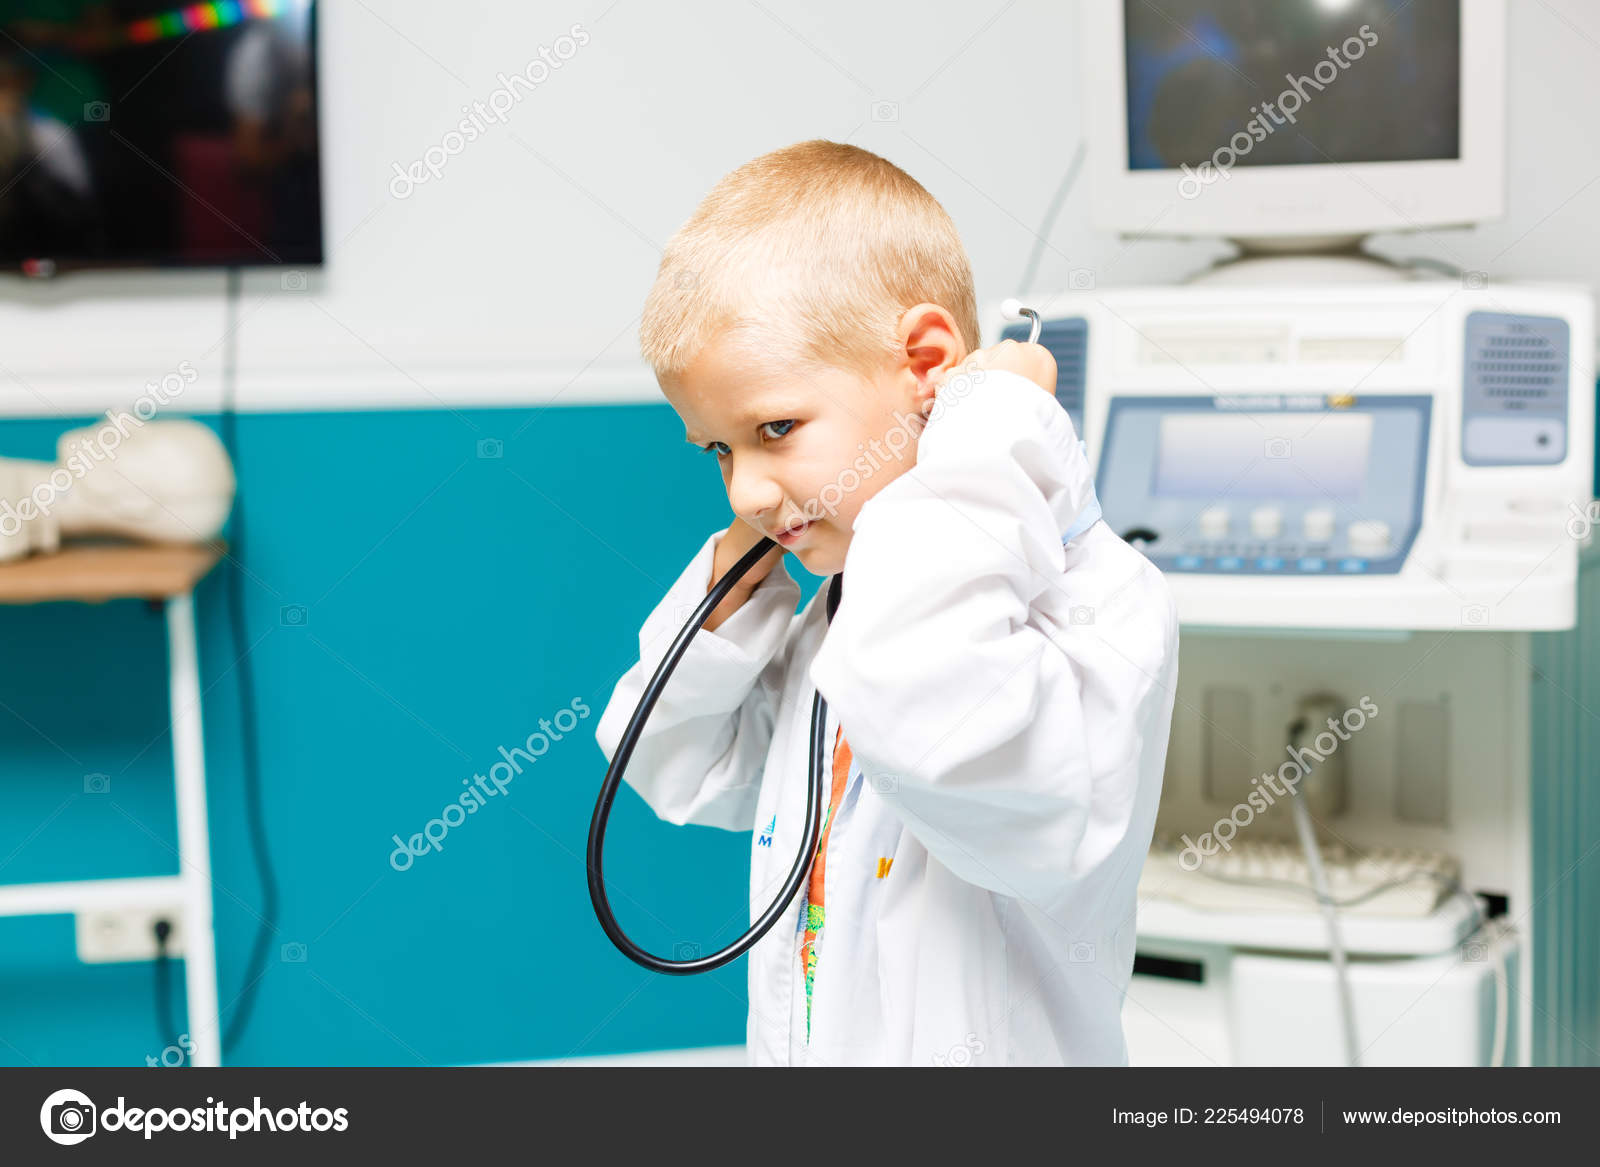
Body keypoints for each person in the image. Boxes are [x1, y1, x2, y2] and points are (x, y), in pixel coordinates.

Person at [595, 139, 1179, 1066]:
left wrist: (988, 423)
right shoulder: (850, 603)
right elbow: (677, 760)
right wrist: (728, 606)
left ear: (927, 363)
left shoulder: (1096, 601)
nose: (744, 488)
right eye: (719, 450)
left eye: (774, 429)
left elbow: (942, 727)